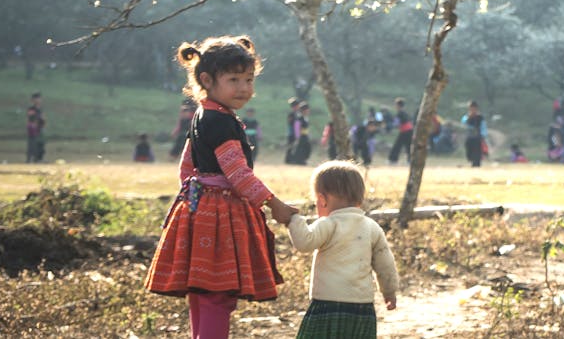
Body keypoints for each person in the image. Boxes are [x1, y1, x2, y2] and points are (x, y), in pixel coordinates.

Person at [145, 35, 300, 338]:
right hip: (220, 216)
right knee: (218, 295)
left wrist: (194, 204)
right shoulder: (222, 122)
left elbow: (186, 168)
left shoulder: (202, 115)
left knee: (202, 293)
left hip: (197, 210)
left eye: (249, 79)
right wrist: (274, 204)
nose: (244, 88)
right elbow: (239, 175)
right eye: (233, 79)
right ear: (207, 79)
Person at [286, 160, 398, 338]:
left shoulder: (329, 224)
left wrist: (294, 220)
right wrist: (389, 291)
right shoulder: (372, 227)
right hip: (362, 307)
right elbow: (386, 264)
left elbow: (304, 243)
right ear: (359, 200)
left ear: (322, 200)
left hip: (327, 304)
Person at [387, 97, 414, 164]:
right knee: (408, 146)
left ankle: (393, 160)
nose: (395, 106)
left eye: (396, 105)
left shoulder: (400, 113)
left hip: (405, 131)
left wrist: (389, 127)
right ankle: (410, 160)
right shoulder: (404, 113)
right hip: (409, 131)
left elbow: (396, 123)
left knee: (397, 145)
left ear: (398, 105)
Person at [461, 100, 487, 167]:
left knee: (477, 153)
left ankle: (476, 164)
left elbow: (483, 127)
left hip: (477, 138)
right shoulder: (466, 117)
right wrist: (468, 118)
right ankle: (472, 161)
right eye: (471, 108)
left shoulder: (480, 118)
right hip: (469, 138)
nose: (473, 110)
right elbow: (463, 125)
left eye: (474, 108)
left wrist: (483, 136)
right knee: (469, 152)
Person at [26, 92, 46, 163]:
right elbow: (31, 119)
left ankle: (38, 160)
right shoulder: (31, 109)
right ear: (33, 100)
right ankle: (29, 160)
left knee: (40, 145)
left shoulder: (40, 109)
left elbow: (43, 120)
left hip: (40, 130)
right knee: (32, 146)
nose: (38, 100)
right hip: (33, 130)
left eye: (39, 99)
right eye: (36, 99)